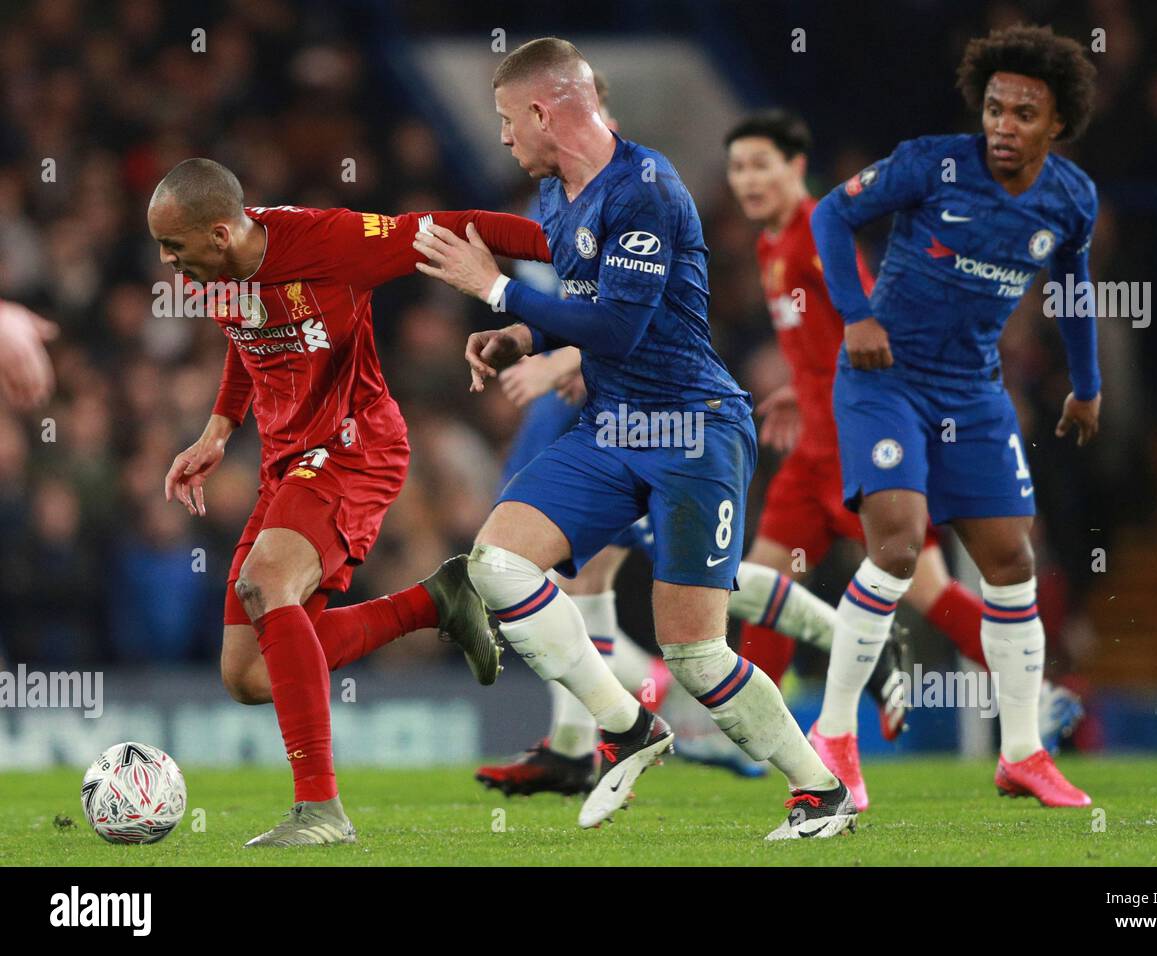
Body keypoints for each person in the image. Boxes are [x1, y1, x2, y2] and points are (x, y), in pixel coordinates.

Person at [414, 37, 855, 838]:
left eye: (510, 121)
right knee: (497, 566)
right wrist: (520, 335)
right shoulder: (557, 198)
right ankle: (629, 726)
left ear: (546, 111)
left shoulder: (647, 187)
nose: (505, 138)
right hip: (613, 430)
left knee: (697, 654)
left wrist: (495, 286)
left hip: (694, 429)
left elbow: (617, 326)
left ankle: (819, 791)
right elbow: (582, 314)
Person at [149, 160, 551, 844]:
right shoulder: (216, 277)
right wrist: (219, 429)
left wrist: (572, 249)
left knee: (265, 581)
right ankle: (434, 602)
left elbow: (453, 227)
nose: (167, 261)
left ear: (220, 233)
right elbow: (247, 344)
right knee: (247, 675)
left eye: (175, 247)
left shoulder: (328, 242)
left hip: (353, 443)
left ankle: (320, 810)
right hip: (286, 464)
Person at [725, 108, 1085, 808]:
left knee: (917, 586)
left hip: (867, 437)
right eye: (737, 167)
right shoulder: (770, 246)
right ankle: (757, 739)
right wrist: (801, 394)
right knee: (763, 581)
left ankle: (1041, 698)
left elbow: (867, 322)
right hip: (813, 453)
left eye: (760, 164)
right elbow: (824, 344)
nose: (746, 180)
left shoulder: (809, 237)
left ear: (796, 169)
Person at [809, 24, 1100, 808]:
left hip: (973, 390)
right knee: (899, 546)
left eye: (1023, 114)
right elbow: (831, 217)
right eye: (996, 108)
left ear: (1057, 124)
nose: (1003, 126)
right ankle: (833, 738)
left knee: (1012, 562)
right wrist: (855, 313)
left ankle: (1023, 754)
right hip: (885, 377)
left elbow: (1073, 288)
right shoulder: (931, 163)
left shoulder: (1071, 199)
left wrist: (1088, 382)